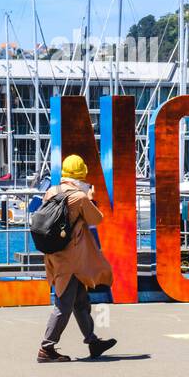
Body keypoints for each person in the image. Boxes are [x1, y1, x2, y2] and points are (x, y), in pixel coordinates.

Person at [37, 154, 118, 363]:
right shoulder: (79, 197)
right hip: (71, 259)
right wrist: (91, 199)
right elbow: (96, 219)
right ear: (81, 174)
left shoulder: (51, 192)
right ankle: (47, 348)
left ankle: (93, 341)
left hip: (54, 254)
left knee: (80, 300)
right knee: (64, 303)